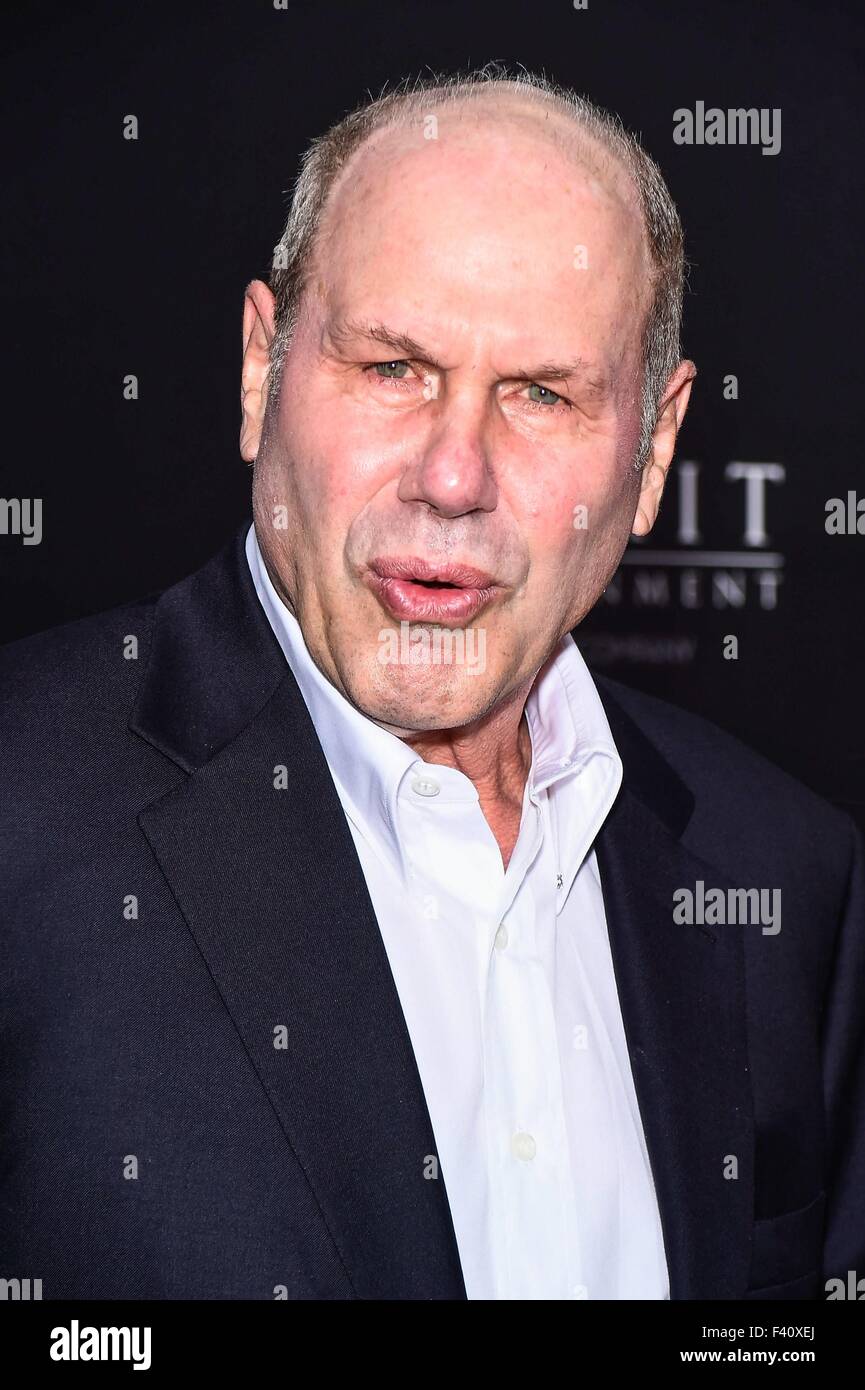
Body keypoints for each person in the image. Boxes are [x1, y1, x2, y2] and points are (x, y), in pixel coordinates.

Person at [1, 66, 862, 1301]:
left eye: (541, 393)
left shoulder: (786, 876)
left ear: (656, 445)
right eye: (393, 368)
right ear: (261, 368)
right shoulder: (20, 813)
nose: (454, 475)